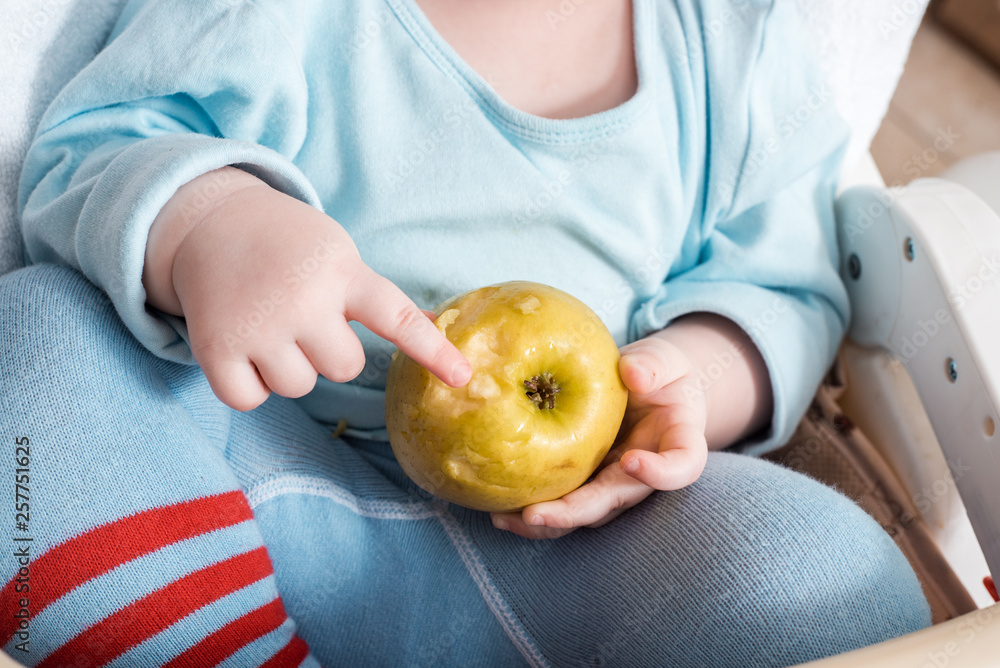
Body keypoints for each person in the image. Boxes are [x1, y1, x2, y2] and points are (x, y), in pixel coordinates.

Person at [1, 0, 930, 665]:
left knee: (824, 567)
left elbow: (783, 285)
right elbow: (94, 144)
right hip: (242, 481)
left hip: (574, 546)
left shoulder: (739, 44)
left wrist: (687, 377)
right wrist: (210, 222)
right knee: (38, 341)